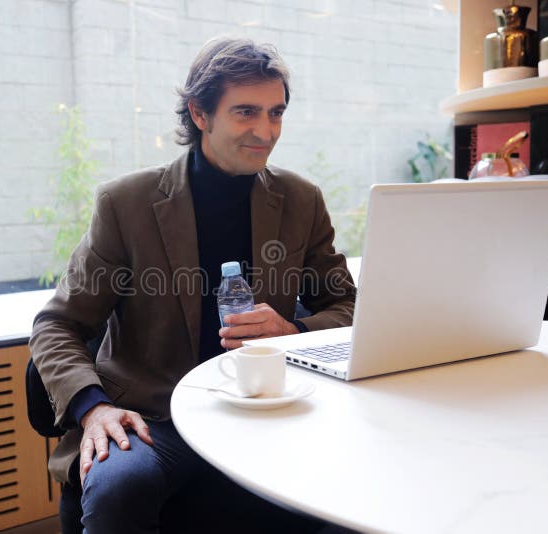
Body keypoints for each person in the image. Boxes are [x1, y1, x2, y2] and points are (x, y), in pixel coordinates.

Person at [29, 36, 357, 533]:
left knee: (352, 479)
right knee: (120, 489)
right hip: (154, 417)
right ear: (199, 114)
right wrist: (92, 409)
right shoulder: (127, 204)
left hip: (267, 408)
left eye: (276, 113)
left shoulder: (301, 200)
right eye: (246, 112)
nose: (265, 131)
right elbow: (57, 325)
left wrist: (293, 330)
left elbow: (346, 307)